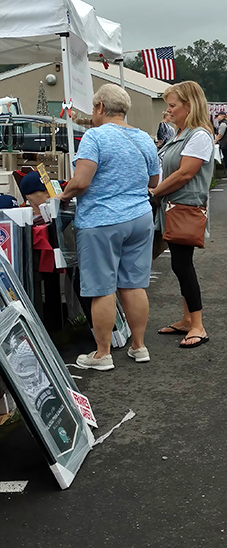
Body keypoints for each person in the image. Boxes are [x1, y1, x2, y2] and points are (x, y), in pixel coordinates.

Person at [59, 83, 160, 370]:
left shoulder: (94, 137)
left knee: (102, 287)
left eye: (93, 108)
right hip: (139, 218)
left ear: (101, 107)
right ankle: (139, 346)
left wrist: (63, 195)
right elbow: (153, 182)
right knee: (134, 283)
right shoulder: (143, 138)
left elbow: (82, 181)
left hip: (102, 220)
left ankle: (102, 354)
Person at [151, 80, 214, 348]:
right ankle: (189, 319)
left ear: (189, 106)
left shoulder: (198, 135)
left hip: (183, 208)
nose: (169, 111)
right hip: (174, 208)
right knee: (180, 264)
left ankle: (197, 324)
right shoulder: (182, 134)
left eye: (173, 105)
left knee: (182, 265)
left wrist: (154, 192)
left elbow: (185, 173)